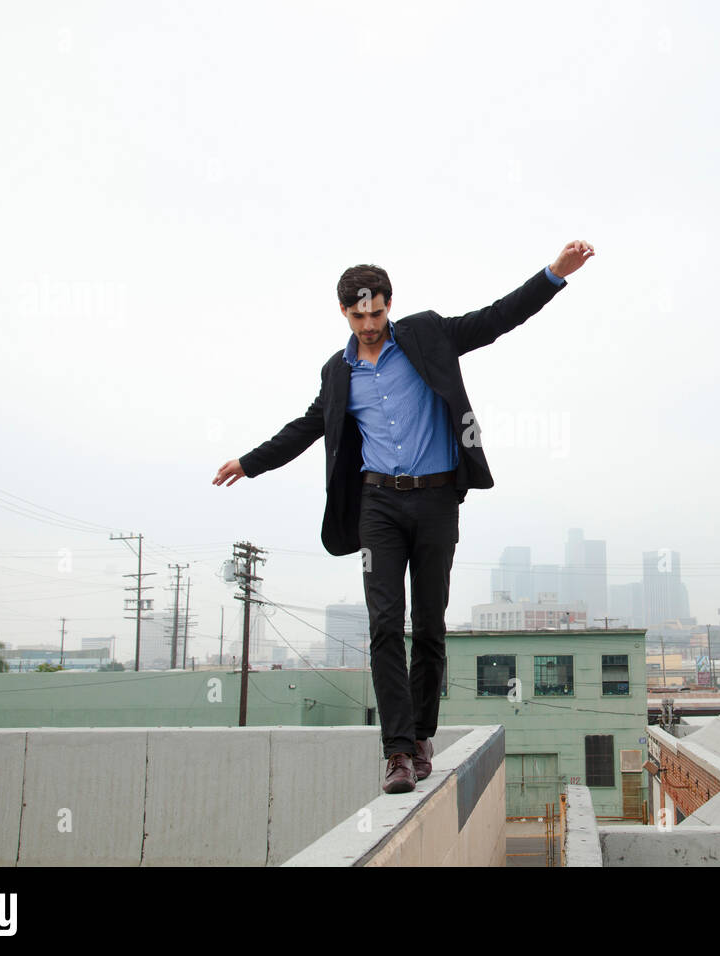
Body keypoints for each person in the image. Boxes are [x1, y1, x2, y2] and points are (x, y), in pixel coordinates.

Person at [213, 240, 595, 793]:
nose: (368, 323)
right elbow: (307, 427)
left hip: (437, 500)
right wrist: (249, 463)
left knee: (430, 626)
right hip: (378, 507)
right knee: (384, 625)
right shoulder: (337, 373)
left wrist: (553, 275)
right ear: (343, 312)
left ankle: (420, 736)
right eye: (357, 314)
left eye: (377, 311)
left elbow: (494, 321)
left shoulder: (427, 336)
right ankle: (395, 751)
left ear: (389, 305)